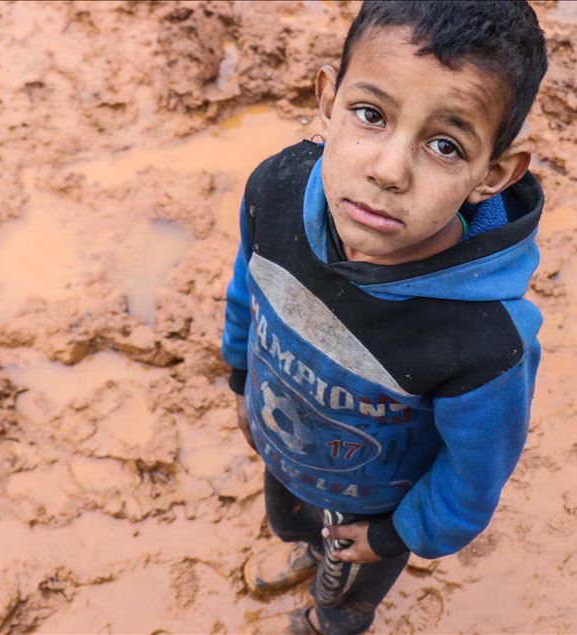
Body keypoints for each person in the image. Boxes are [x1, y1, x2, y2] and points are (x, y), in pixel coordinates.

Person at [220, 2, 548, 633]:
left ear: (494, 175)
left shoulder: (483, 344)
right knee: (291, 521)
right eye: (371, 115)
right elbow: (246, 290)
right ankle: (307, 548)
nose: (389, 170)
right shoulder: (277, 190)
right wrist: (241, 380)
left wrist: (398, 534)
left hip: (369, 513)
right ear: (327, 100)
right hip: (281, 448)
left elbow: (473, 478)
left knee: (346, 589)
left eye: (445, 146)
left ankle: (328, 620)